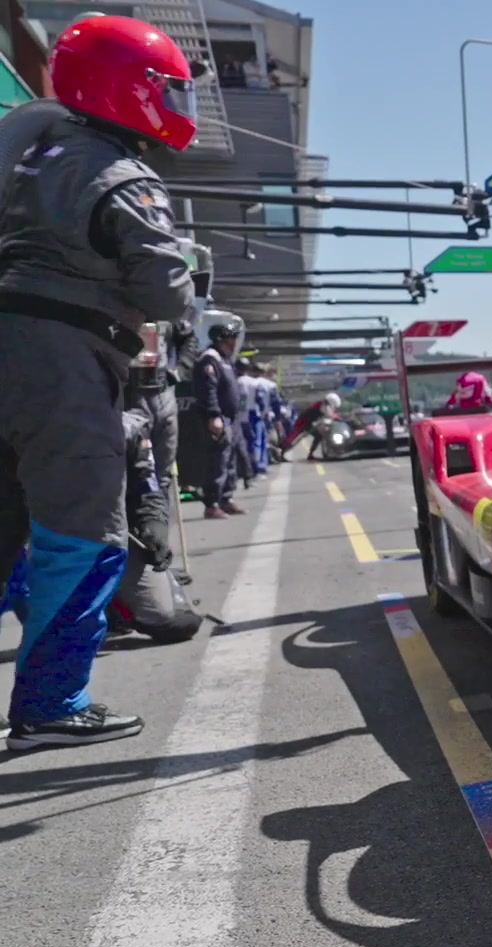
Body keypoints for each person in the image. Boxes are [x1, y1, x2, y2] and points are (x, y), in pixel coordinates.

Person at [0, 14, 198, 749]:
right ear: (134, 91)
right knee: (81, 536)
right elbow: (166, 292)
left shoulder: (22, 147)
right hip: (64, 364)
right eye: (170, 93)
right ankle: (51, 706)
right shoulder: (121, 173)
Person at [105, 387, 200, 643]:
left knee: (179, 622)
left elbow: (148, 491)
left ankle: (116, 603)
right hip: (46, 546)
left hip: (111, 539)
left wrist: (153, 526)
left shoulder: (130, 429)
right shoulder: (26, 423)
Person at [189, 320, 246, 518]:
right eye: (231, 339)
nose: (234, 344)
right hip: (218, 418)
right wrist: (214, 415)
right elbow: (208, 390)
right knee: (217, 462)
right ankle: (212, 504)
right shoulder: (210, 359)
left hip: (231, 418)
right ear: (222, 339)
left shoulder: (225, 360)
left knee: (229, 461)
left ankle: (226, 498)